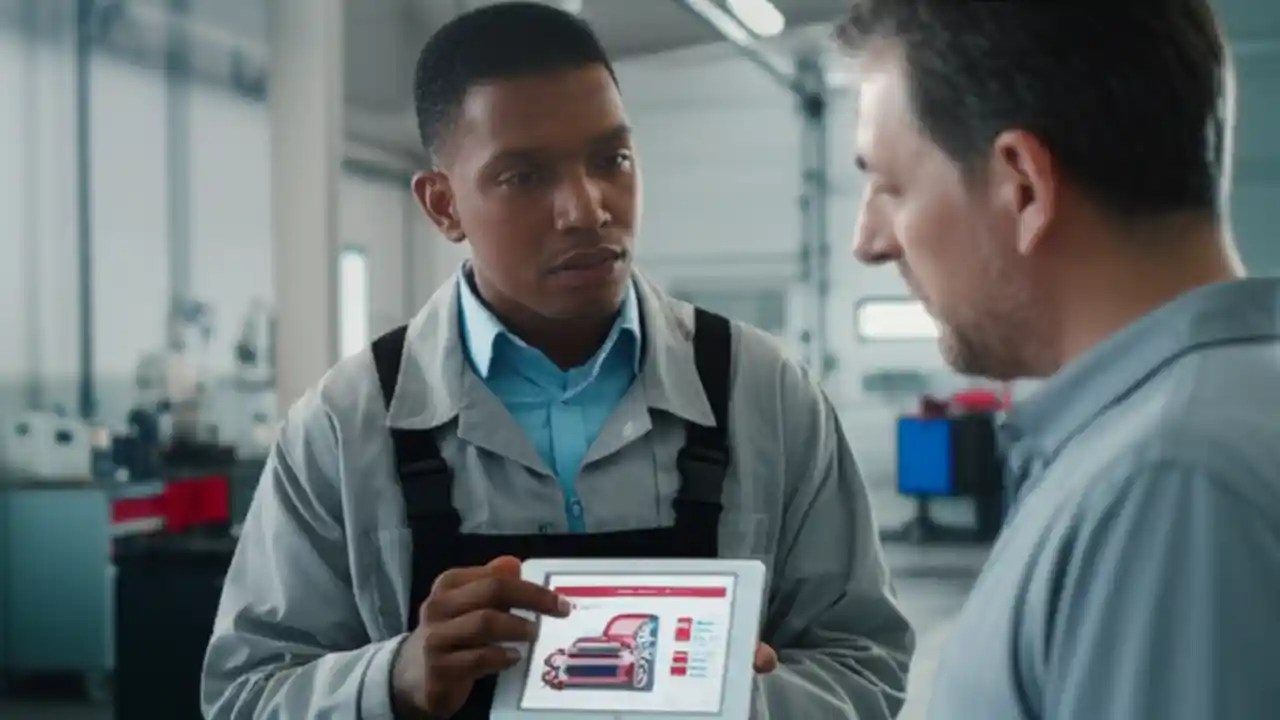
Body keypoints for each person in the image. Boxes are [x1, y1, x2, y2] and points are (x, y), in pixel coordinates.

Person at [202, 3, 913, 719]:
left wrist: (745, 701)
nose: (586, 208)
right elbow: (244, 695)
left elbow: (865, 661)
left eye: (613, 160)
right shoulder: (343, 427)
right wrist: (393, 680)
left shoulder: (765, 397)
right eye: (524, 177)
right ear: (443, 205)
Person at [839, 0, 1280, 718]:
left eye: (890, 186)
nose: (869, 240)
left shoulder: (1169, 484)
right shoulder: (1190, 428)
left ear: (1022, 185)